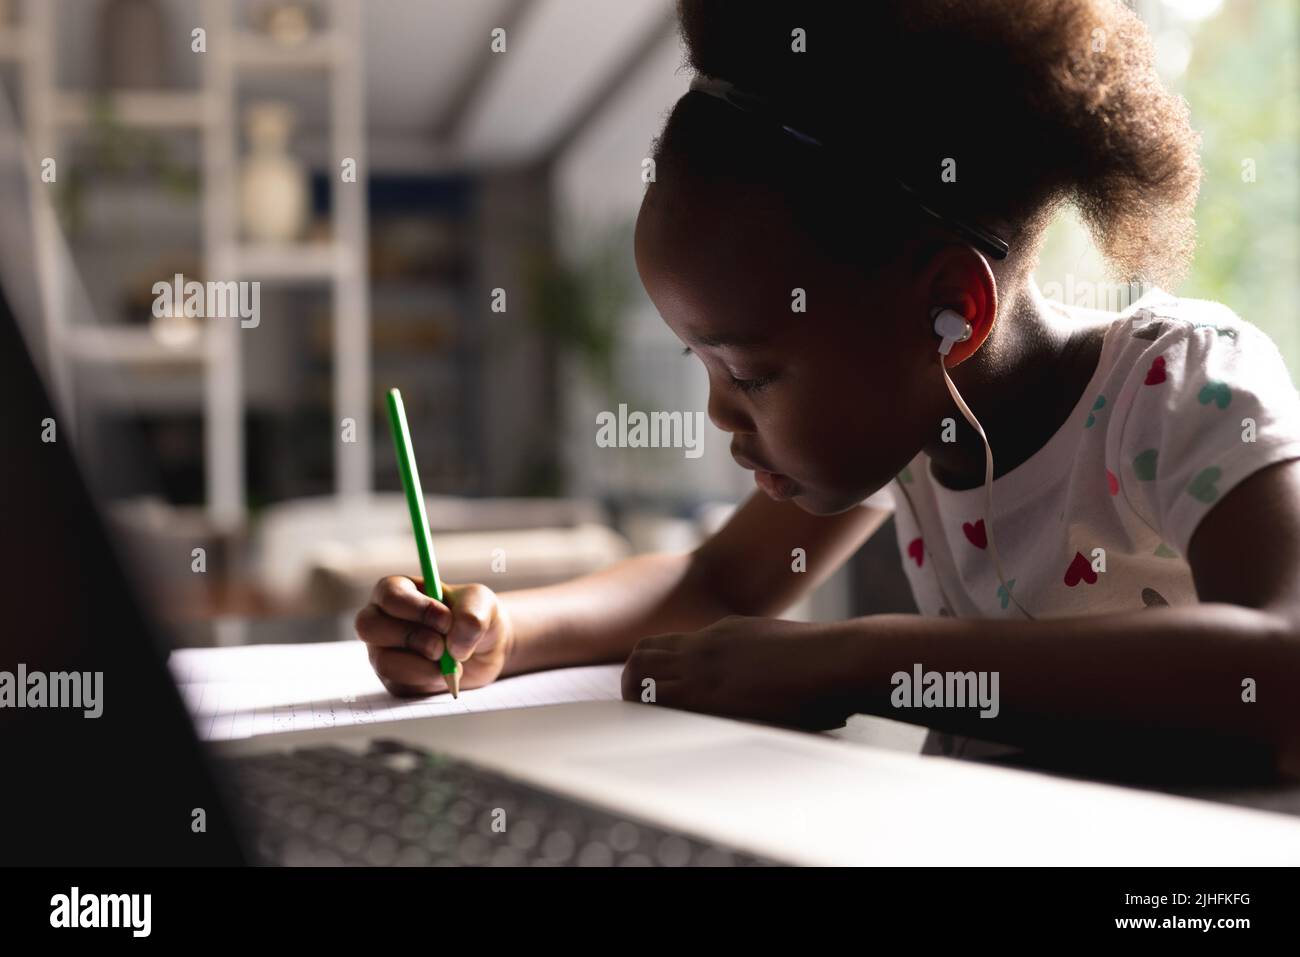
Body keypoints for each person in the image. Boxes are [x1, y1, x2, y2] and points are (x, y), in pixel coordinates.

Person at [356, 0, 1300, 773]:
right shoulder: (918, 431)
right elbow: (717, 580)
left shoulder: (1181, 387)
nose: (721, 415)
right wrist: (507, 633)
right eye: (708, 366)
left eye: (751, 372)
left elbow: (1280, 671)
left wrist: (857, 661)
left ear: (949, 313)